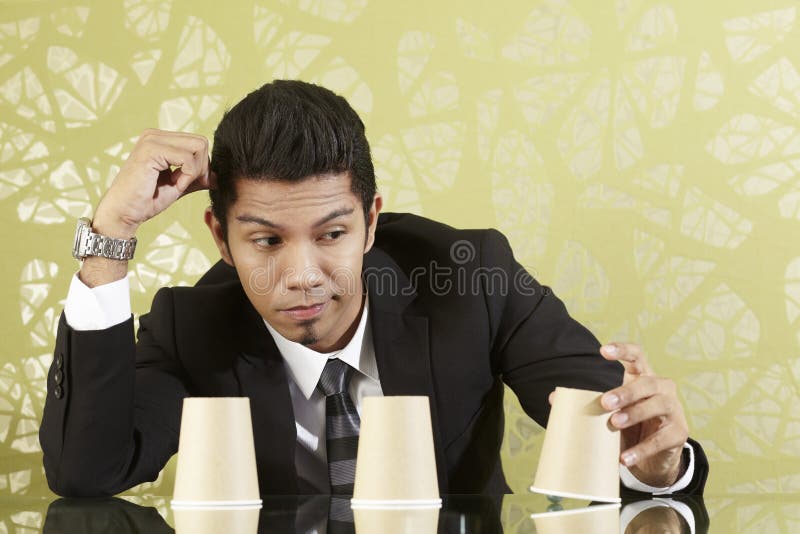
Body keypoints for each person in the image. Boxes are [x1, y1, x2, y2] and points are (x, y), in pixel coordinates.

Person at [39, 80, 708, 497]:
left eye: (331, 233)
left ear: (371, 222)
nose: (302, 274)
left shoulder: (471, 278)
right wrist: (110, 234)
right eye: (266, 240)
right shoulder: (191, 324)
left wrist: (654, 467)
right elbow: (86, 474)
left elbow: (623, 434)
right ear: (221, 237)